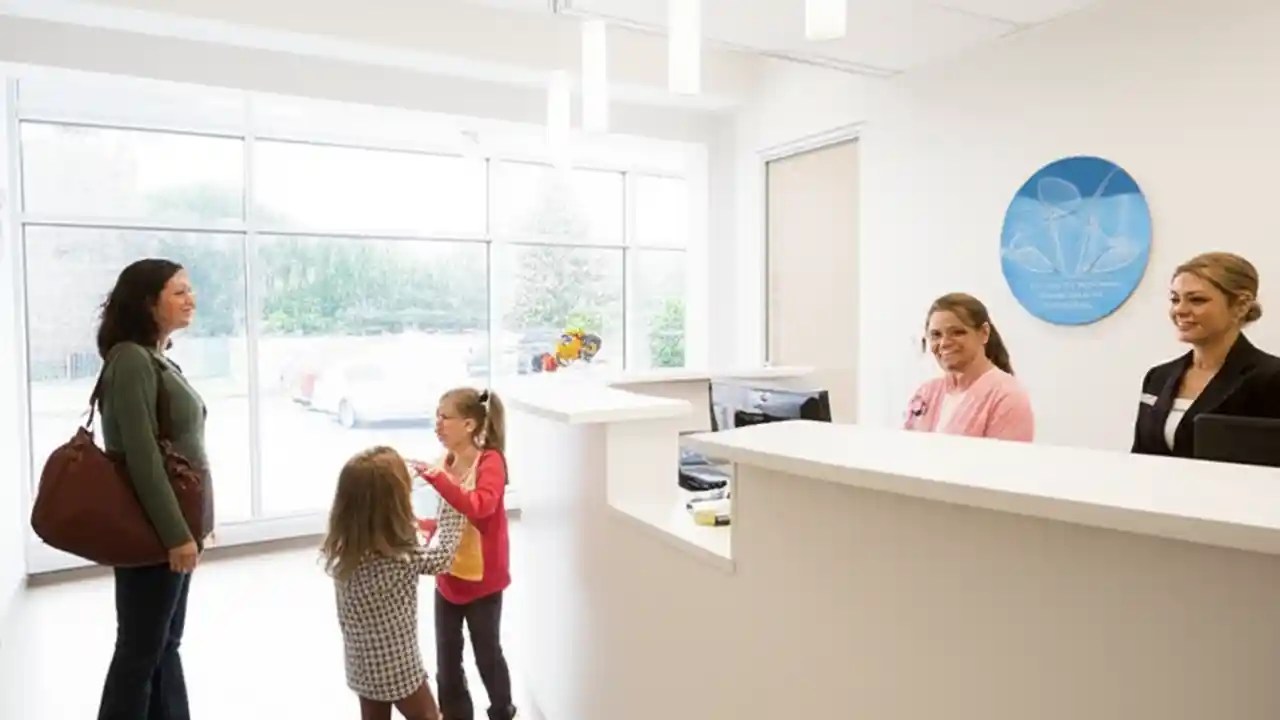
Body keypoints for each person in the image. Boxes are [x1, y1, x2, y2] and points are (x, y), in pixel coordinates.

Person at [96, 258, 212, 720]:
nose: (191, 299)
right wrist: (176, 535)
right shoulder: (130, 360)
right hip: (153, 532)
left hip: (171, 528)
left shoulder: (157, 357)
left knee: (164, 643)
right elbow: (142, 457)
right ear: (148, 302)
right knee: (140, 651)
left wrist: (193, 527)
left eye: (190, 289)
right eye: (179, 291)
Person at [323, 446, 467, 720]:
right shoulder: (401, 558)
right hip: (398, 667)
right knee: (427, 716)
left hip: (361, 664)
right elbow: (444, 556)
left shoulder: (346, 547)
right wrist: (452, 499)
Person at [410, 388, 516, 720]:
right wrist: (418, 527)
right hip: (448, 577)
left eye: (445, 417)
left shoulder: (491, 462)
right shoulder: (445, 462)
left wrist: (438, 480)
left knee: (487, 655)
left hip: (483, 580)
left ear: (469, 424)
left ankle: (502, 711)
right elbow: (442, 518)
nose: (437, 424)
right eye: (436, 416)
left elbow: (481, 508)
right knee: (447, 662)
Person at [1131, 252, 1280, 457]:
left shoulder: (1271, 378)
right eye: (1175, 299)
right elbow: (1140, 457)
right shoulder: (1158, 377)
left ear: (1241, 305)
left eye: (1197, 300)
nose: (1180, 310)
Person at [903, 293, 1034, 442]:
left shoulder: (1007, 397)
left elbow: (1007, 463)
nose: (944, 343)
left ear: (984, 333)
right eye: (936, 335)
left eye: (957, 332)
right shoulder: (926, 393)